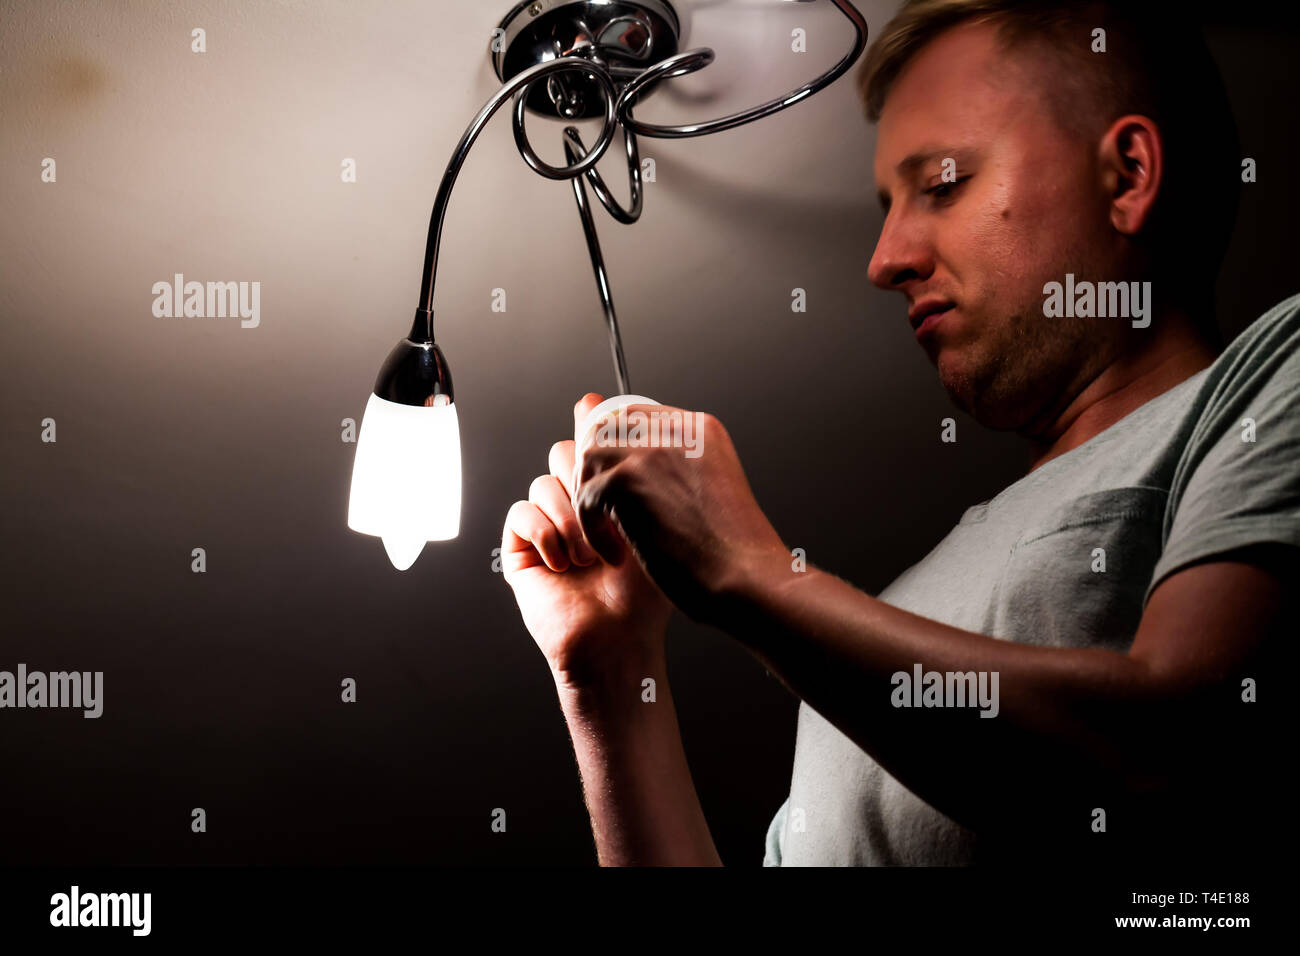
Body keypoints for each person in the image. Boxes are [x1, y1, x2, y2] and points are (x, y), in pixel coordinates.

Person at [500, 0, 1299, 866]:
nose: (884, 261)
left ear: (1128, 175)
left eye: (944, 183)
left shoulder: (1274, 377)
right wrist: (611, 679)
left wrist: (748, 575)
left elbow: (1177, 760)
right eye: (889, 204)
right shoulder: (881, 626)